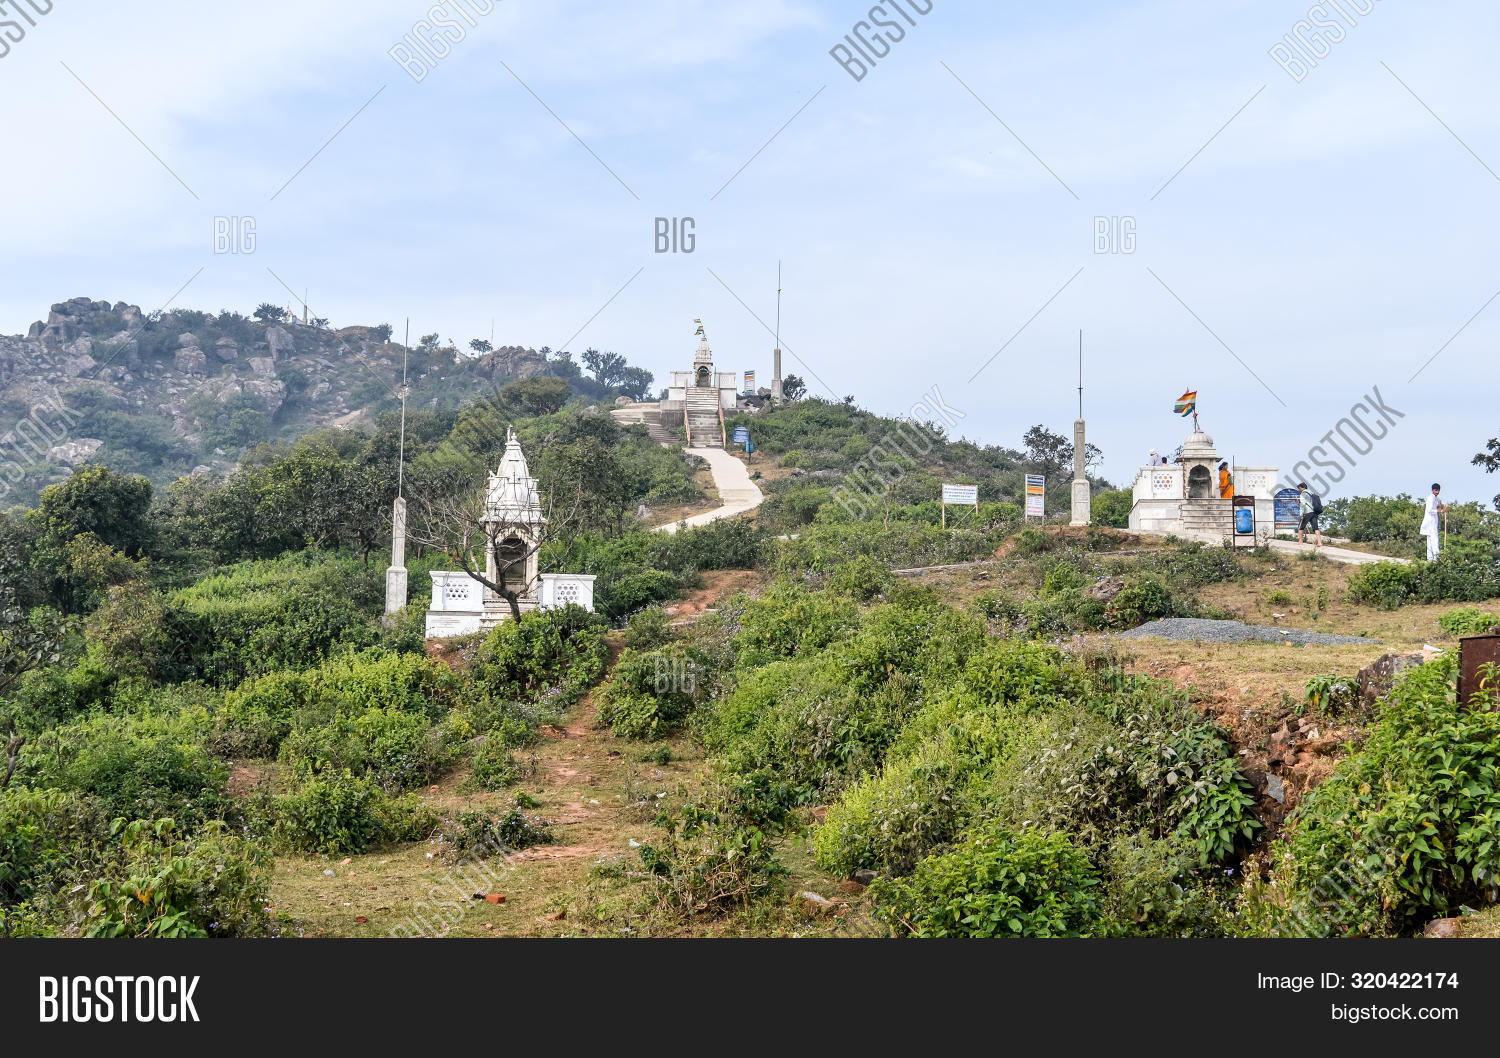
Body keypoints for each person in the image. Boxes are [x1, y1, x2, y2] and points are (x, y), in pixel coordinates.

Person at [1421, 483, 1447, 562]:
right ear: (1432, 490)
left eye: (1438, 490)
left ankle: (1430, 558)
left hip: (1433, 522)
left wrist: (1439, 507)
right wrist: (1441, 511)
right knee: (1435, 540)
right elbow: (1430, 510)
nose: (1437, 492)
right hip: (1430, 522)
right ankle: (1437, 559)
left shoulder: (1435, 498)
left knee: (1430, 541)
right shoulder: (1431, 498)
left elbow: (1434, 508)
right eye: (1436, 490)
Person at [1297, 481, 1322, 548]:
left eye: (1299, 488)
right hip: (1314, 512)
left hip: (1307, 512)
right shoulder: (1311, 494)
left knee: (1301, 526)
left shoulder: (1303, 494)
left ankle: (1300, 541)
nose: (1298, 490)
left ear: (1301, 488)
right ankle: (1319, 542)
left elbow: (1303, 505)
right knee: (1315, 528)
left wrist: (1301, 514)